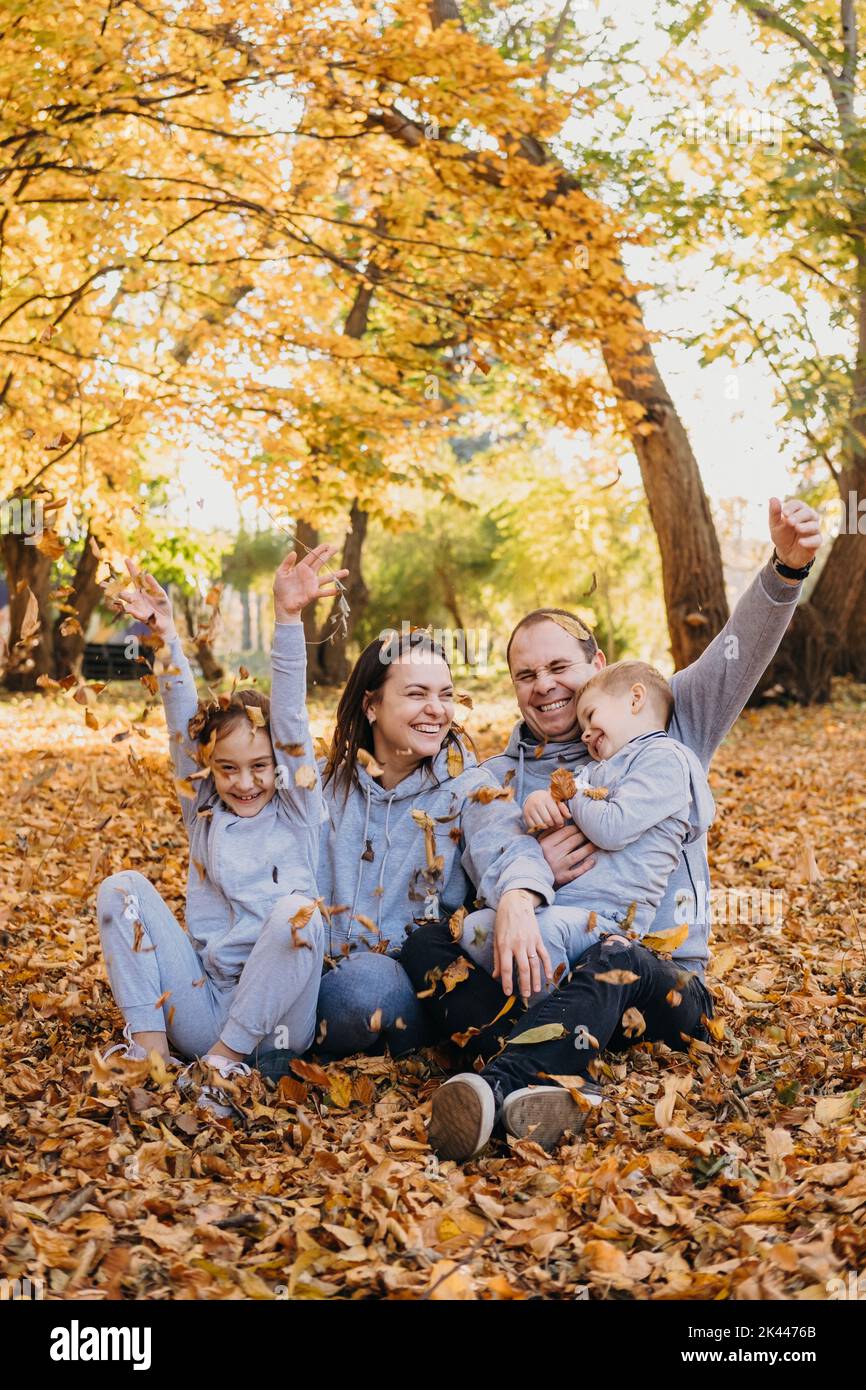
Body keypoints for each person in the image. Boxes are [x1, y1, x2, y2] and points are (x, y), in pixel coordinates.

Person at [400, 497, 823, 1155]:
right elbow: (493, 844)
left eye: (558, 667)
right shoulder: (494, 774)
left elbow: (735, 654)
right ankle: (556, 1085)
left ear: (598, 665)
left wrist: (785, 570)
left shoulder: (662, 723)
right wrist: (519, 889)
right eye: (526, 675)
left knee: (617, 952)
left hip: (653, 986)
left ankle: (499, 1080)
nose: (544, 686)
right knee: (426, 943)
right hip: (546, 978)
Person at [96, 543, 346, 1113]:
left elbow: (290, 720)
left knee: (296, 912)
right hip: (206, 1005)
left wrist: (288, 620)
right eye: (227, 768)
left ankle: (223, 1067)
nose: (245, 782)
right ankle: (151, 1053)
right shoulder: (204, 810)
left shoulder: (300, 808)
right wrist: (166, 642)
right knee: (121, 888)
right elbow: (183, 727)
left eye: (260, 767)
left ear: (279, 767)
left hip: (279, 1026)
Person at [314, 627, 558, 1058]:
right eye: (416, 693)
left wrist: (518, 898)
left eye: (445, 694)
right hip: (311, 981)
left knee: (367, 983)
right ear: (371, 705)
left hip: (408, 992)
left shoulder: (466, 787)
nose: (436, 709)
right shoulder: (324, 784)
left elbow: (506, 841)